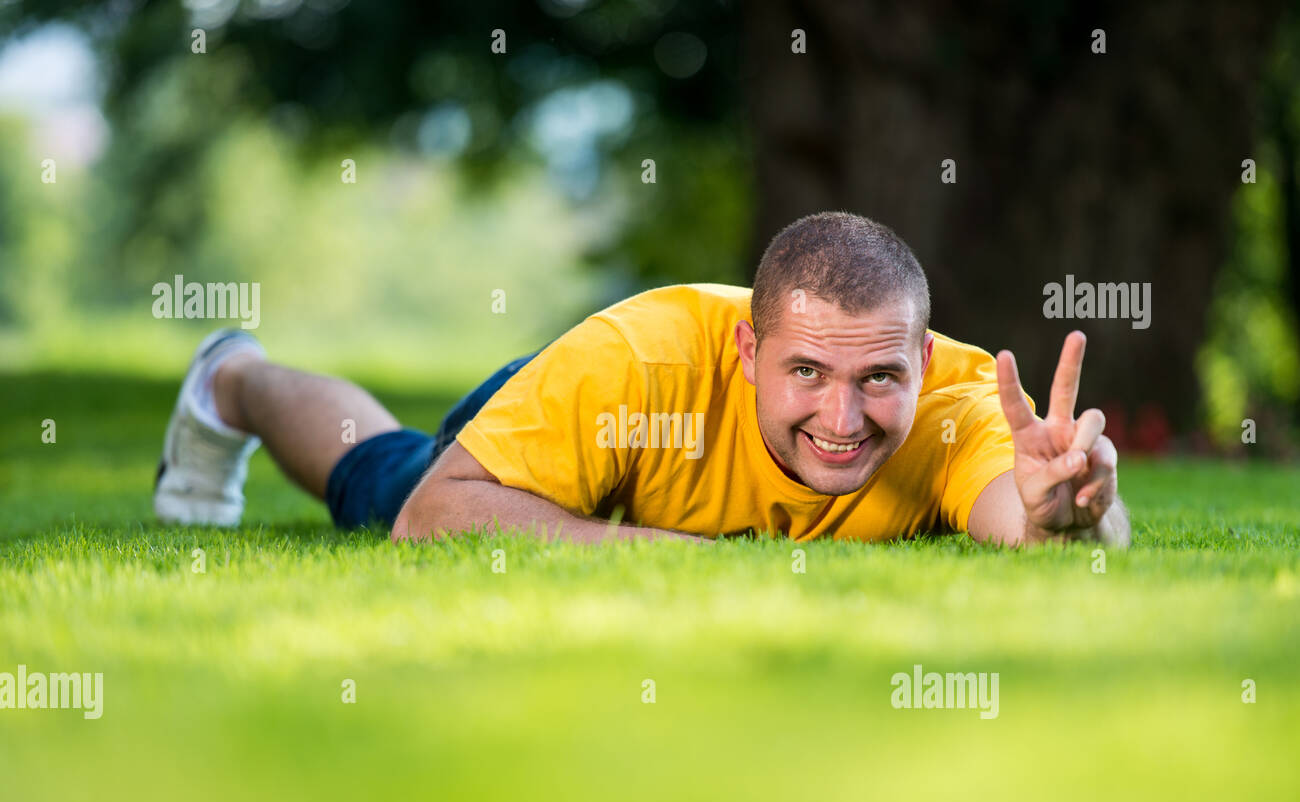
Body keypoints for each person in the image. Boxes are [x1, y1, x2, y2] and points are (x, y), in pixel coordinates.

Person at [153, 211, 1129, 547]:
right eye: (804, 374)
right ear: (749, 355)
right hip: (576, 401)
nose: (842, 418)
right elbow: (435, 520)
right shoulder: (642, 361)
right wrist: (673, 553)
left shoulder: (952, 407)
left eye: (877, 378)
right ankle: (231, 378)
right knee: (380, 477)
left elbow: (1026, 519)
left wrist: (1071, 512)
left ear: (920, 361)